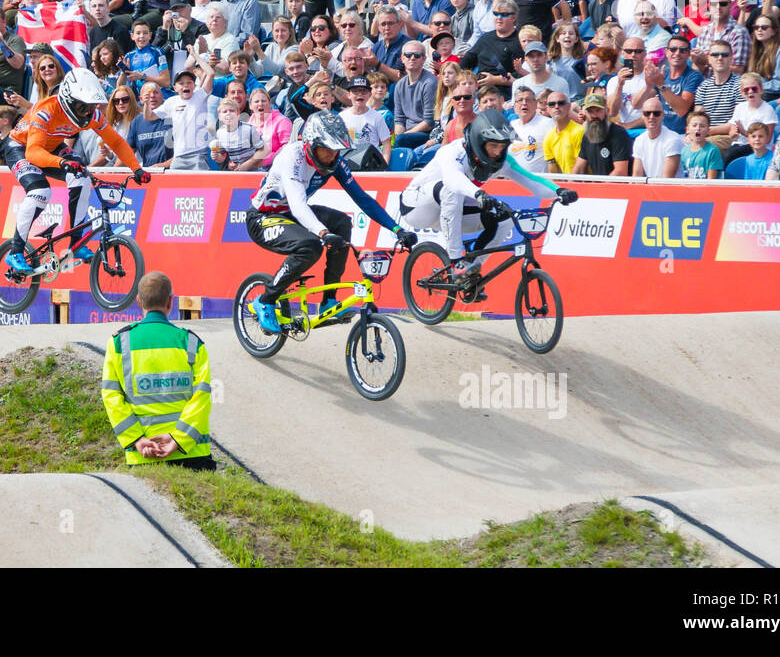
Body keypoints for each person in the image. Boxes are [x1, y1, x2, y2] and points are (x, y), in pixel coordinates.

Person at [245, 111, 417, 333]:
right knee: (311, 245)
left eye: (336, 150)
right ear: (311, 145)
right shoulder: (292, 157)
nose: (331, 156)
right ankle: (265, 300)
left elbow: (362, 198)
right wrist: (322, 232)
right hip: (263, 217)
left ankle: (329, 300)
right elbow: (298, 206)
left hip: (291, 214)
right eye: (326, 149)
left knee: (343, 223)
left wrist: (397, 228)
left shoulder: (336, 162)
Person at [398, 109, 577, 298]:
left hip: (448, 209)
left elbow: (530, 180)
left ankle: (470, 271)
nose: (498, 151)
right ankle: (456, 262)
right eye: (493, 146)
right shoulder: (453, 151)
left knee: (503, 219)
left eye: (502, 146)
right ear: (478, 141)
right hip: (415, 205)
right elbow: (453, 179)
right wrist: (478, 193)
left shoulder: (503, 160)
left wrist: (559, 191)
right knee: (451, 191)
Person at [1, 67, 149, 274]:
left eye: (90, 107)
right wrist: (61, 163)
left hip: (52, 146)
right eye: (82, 108)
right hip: (21, 147)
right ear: (68, 100)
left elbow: (116, 142)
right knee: (40, 192)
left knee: (82, 178)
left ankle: (76, 244)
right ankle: (15, 250)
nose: (87, 112)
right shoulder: (45, 111)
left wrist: (137, 169)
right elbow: (33, 153)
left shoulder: (93, 115)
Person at [101, 270, 214, 469]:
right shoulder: (193, 343)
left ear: (138, 301)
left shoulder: (119, 343)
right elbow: (202, 397)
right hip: (192, 453)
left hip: (144, 454)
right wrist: (178, 440)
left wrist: (137, 439)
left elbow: (111, 397)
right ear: (170, 302)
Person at [573, 92, 631, 176]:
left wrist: (599, 188)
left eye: (598, 110)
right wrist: (570, 182)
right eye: (590, 112)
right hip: (598, 185)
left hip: (617, 186)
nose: (594, 115)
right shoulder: (587, 134)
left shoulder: (618, 134)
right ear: (585, 113)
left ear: (606, 111)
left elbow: (620, 171)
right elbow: (579, 166)